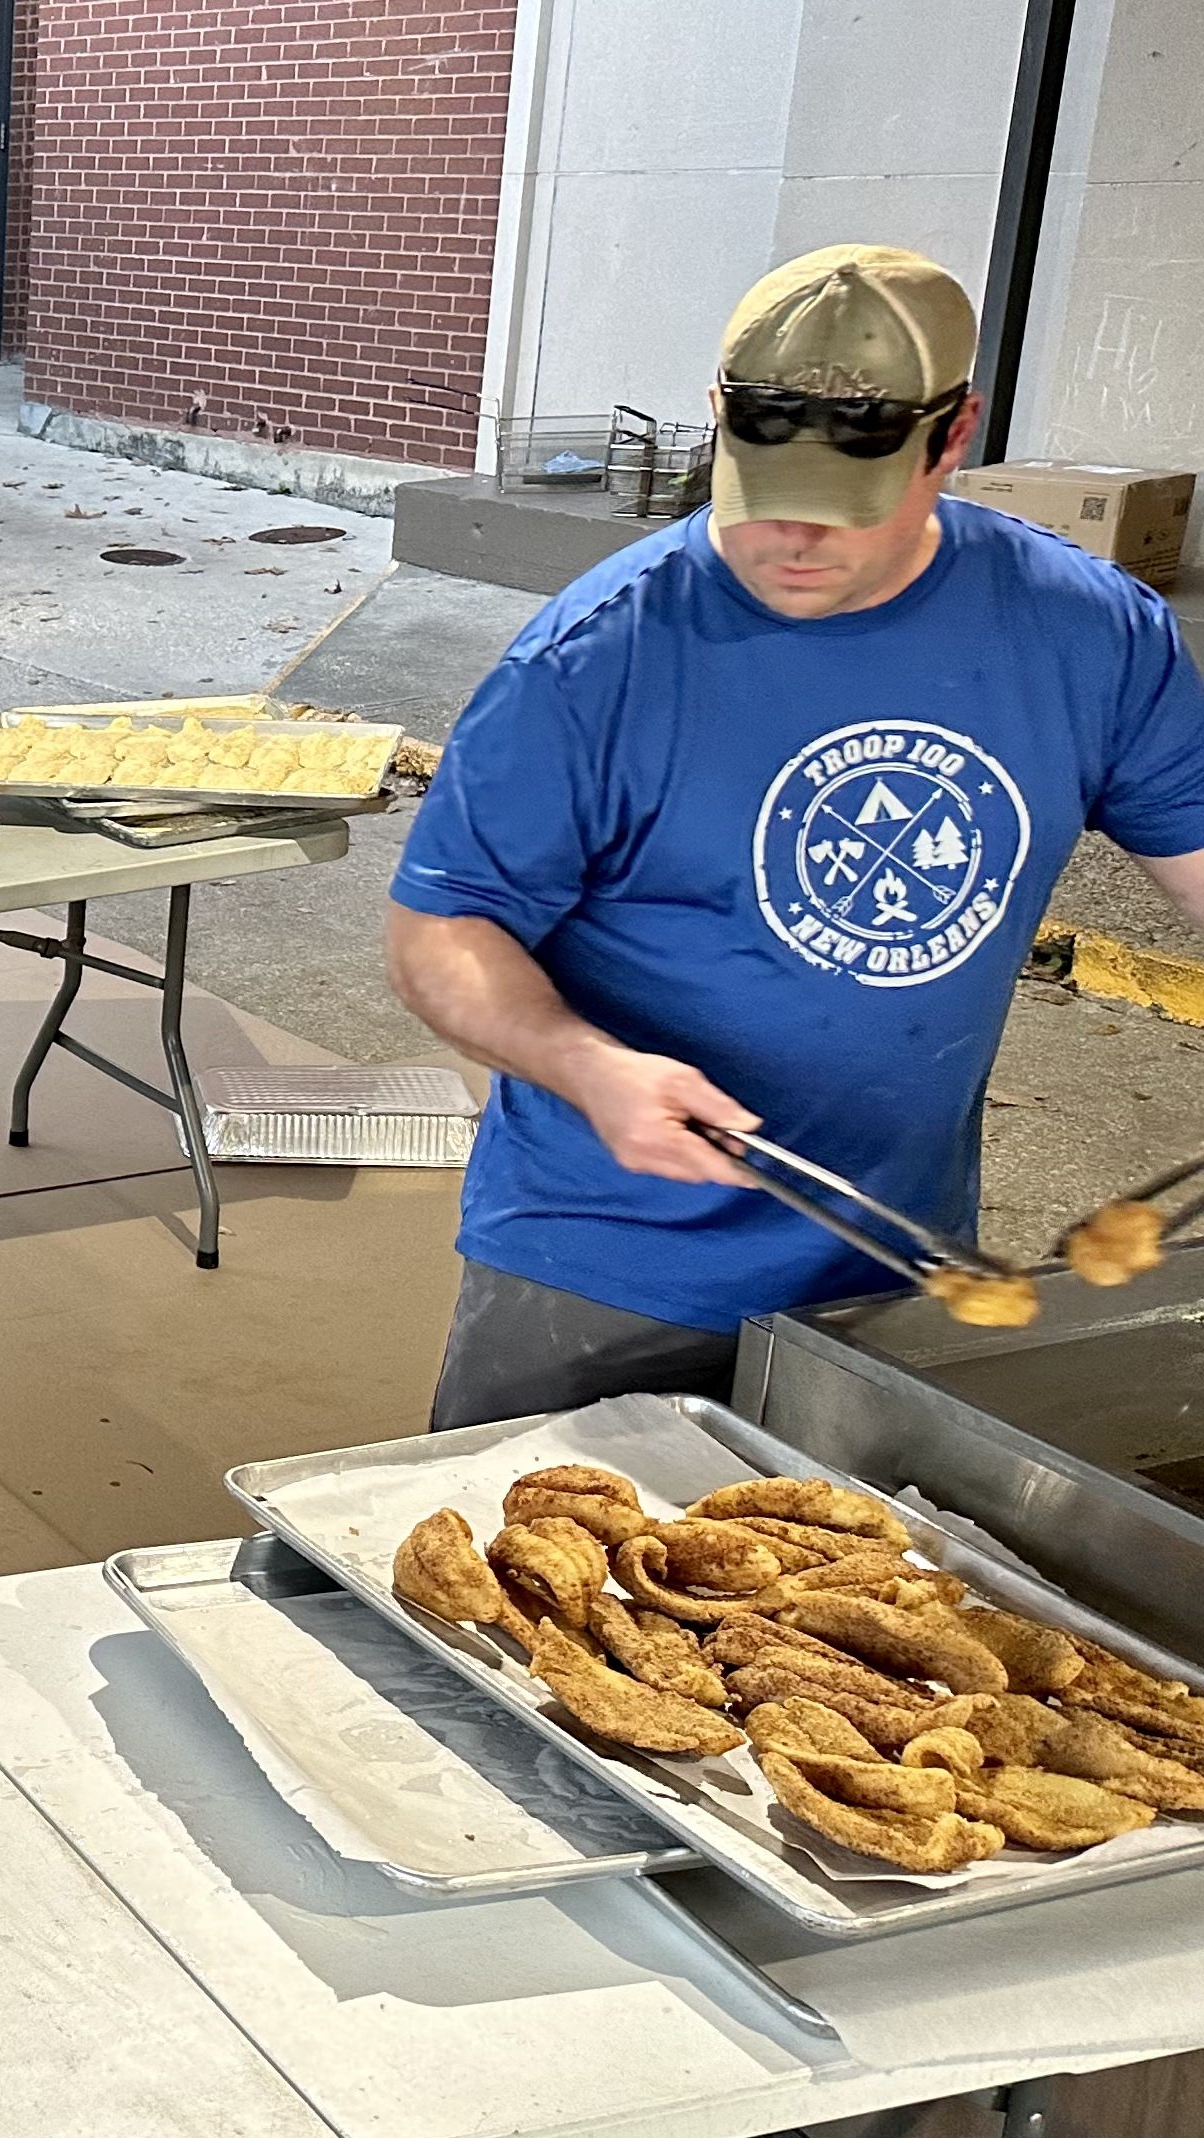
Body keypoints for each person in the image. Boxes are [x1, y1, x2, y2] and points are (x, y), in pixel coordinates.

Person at [390, 245, 1204, 1428]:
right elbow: (441, 933)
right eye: (765, 494)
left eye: (843, 510)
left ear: (954, 433)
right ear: (722, 418)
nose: (795, 543)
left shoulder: (1088, 634)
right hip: (605, 1264)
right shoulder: (598, 661)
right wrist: (591, 1068)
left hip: (896, 1268)